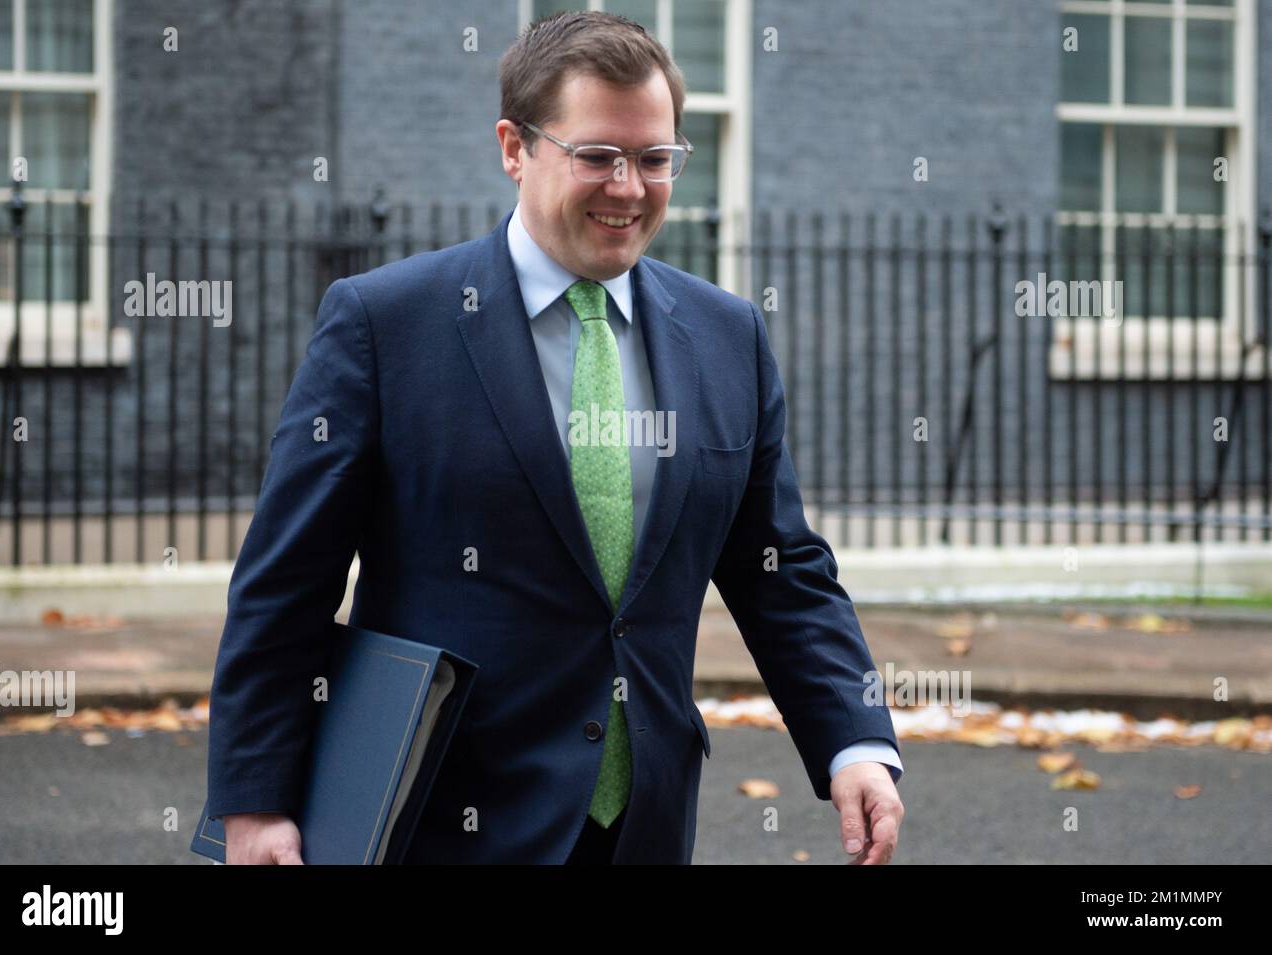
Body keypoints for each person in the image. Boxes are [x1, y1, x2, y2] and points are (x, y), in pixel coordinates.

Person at [207, 9, 904, 866]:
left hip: (642, 826)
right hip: (439, 822)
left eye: (655, 159)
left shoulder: (729, 338)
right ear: (514, 146)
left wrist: (854, 741)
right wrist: (256, 803)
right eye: (597, 156)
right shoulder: (385, 325)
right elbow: (287, 581)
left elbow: (782, 570)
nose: (630, 186)